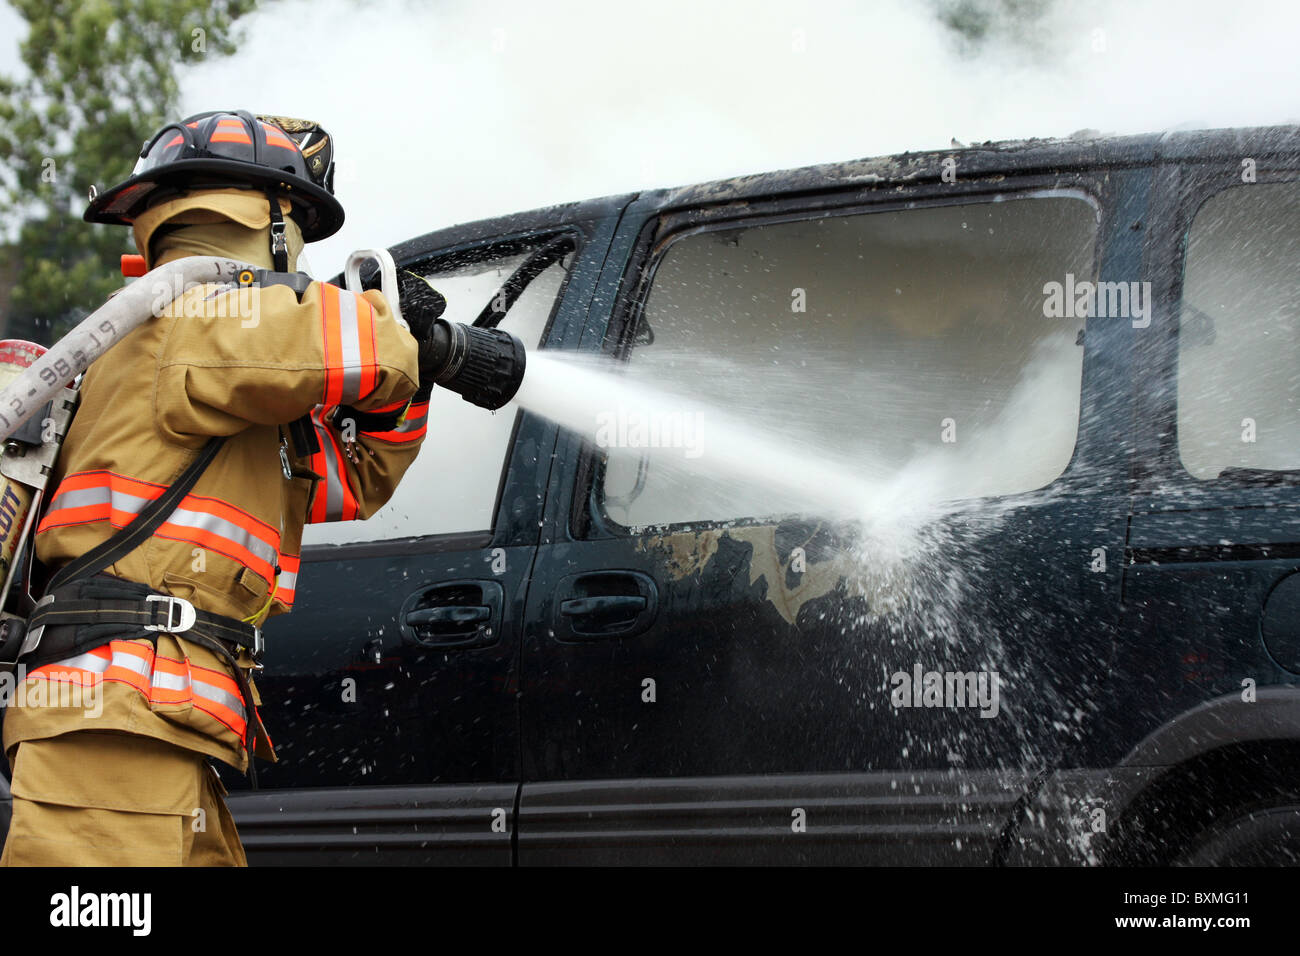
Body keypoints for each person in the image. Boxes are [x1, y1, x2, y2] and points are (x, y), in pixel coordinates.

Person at [0, 110, 430, 866]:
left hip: (155, 719)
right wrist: (401, 326)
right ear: (270, 220)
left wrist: (406, 382)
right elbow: (357, 348)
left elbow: (349, 480)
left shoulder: (221, 373)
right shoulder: (195, 321)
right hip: (117, 715)